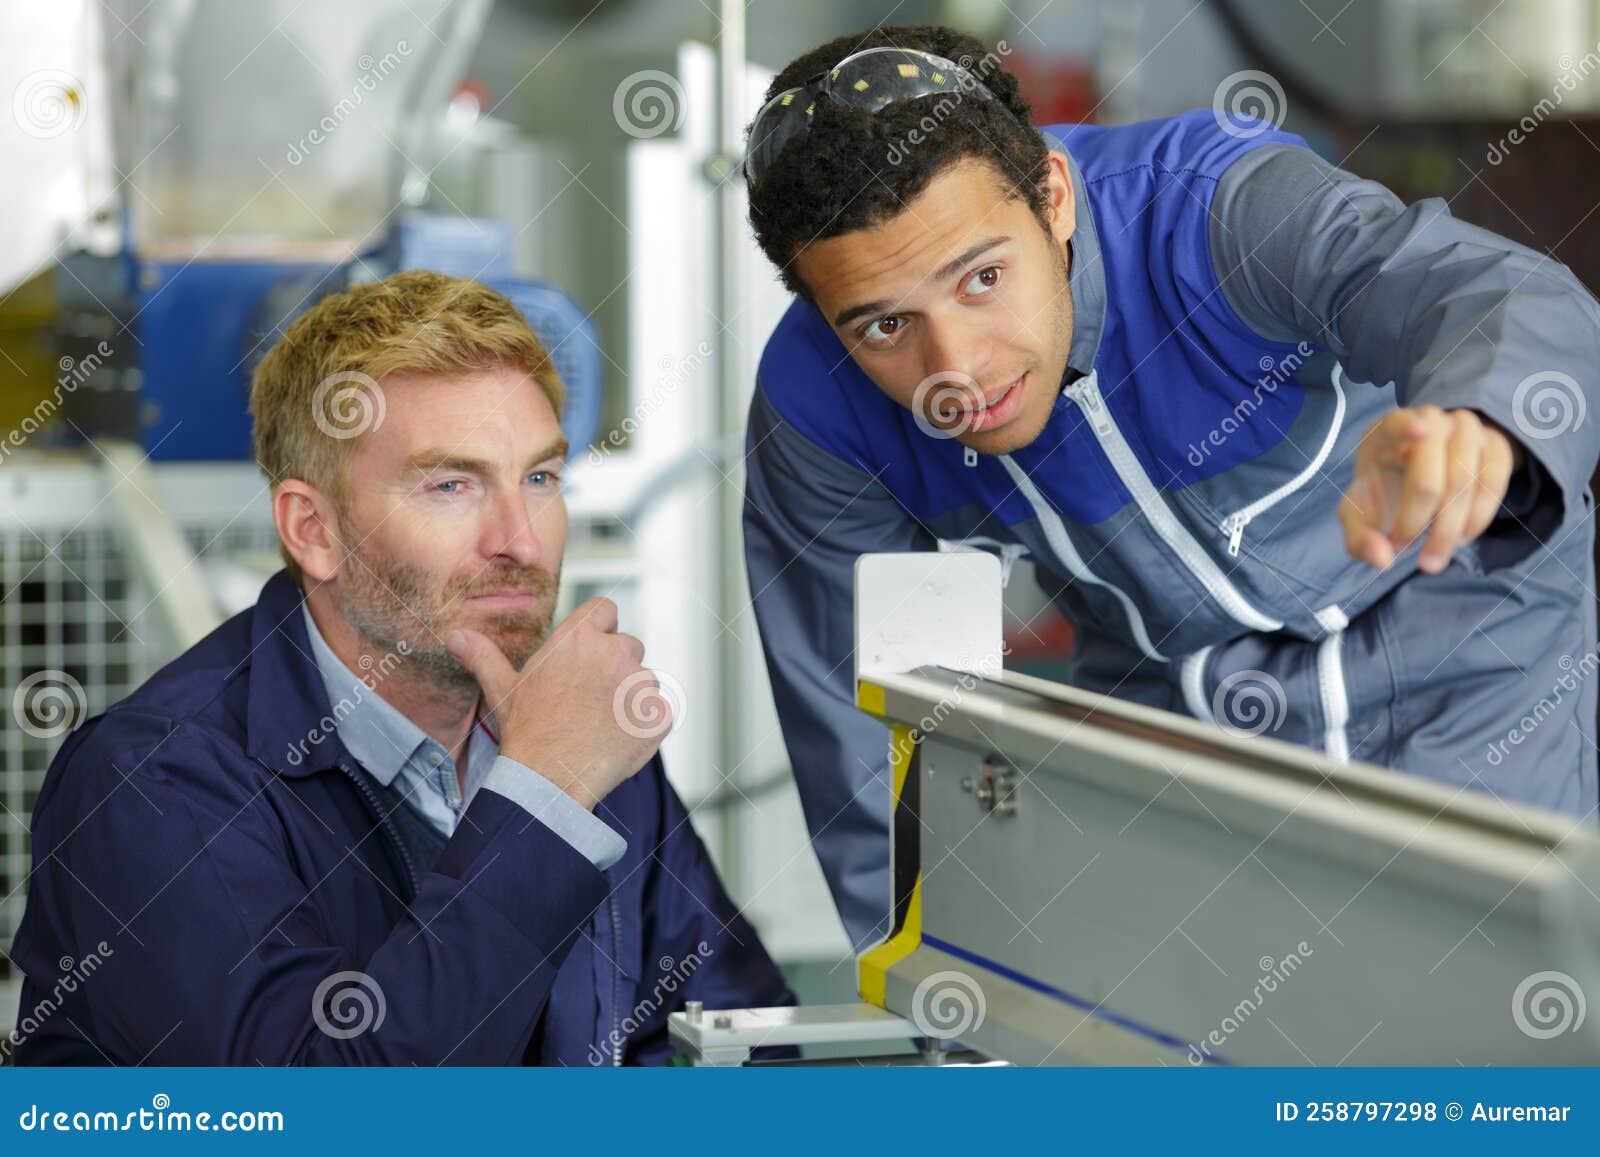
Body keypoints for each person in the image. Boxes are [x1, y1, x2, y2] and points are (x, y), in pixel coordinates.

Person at [741, 25, 1600, 949]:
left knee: (1480, 1007)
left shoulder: (1211, 203)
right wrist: (942, 990)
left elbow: (1491, 293)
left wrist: (1483, 424)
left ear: (1053, 198)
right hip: (1178, 710)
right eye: (883, 326)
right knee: (1183, 1038)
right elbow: (864, 737)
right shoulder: (814, 410)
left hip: (1465, 647)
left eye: (983, 278)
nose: (956, 369)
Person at [12, 270, 792, 1064]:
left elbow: (737, 1044)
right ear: (313, 530)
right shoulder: (154, 782)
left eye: (539, 478)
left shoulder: (586, 744)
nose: (521, 541)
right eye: (451, 484)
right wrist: (545, 792)